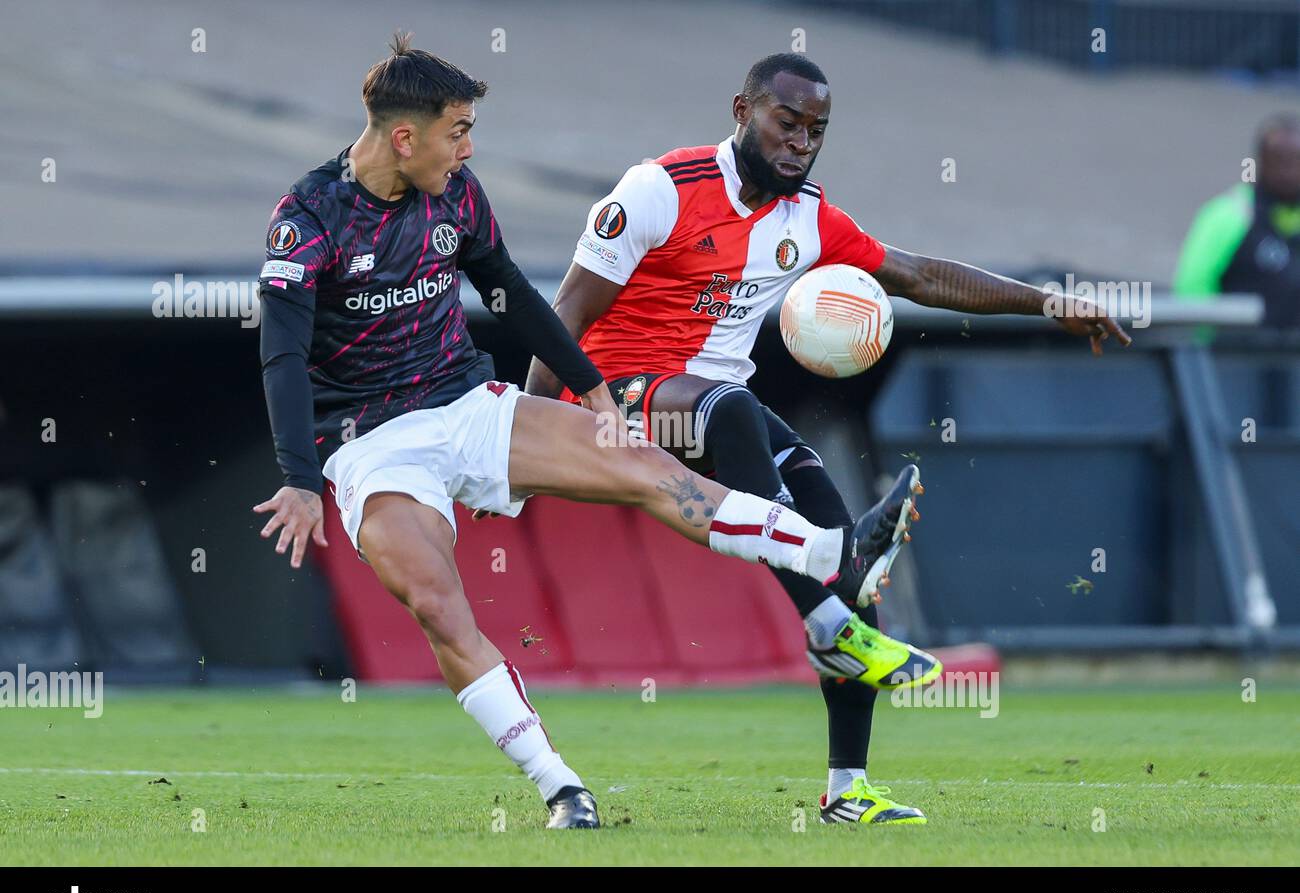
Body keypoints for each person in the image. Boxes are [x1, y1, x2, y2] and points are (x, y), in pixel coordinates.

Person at [252, 37, 925, 830]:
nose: (468, 148)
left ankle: (834, 562)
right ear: (406, 137)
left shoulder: (456, 194)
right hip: (371, 443)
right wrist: (300, 477)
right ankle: (561, 787)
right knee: (439, 604)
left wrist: (594, 393)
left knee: (646, 468)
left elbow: (515, 294)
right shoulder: (307, 221)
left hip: (468, 405)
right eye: (457, 131)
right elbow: (283, 357)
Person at [526, 53, 1128, 826]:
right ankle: (825, 624)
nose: (802, 142)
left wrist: (1045, 302)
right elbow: (563, 316)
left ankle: (850, 786)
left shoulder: (808, 218)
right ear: (741, 109)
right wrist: (529, 438)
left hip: (712, 406)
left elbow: (918, 276)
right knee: (736, 416)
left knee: (846, 550)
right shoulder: (659, 190)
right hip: (619, 401)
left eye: (817, 130)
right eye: (787, 122)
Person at [1174, 113, 1300, 329]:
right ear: (1260, 162)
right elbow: (1191, 290)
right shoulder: (1227, 216)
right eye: (1281, 162)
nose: (1290, 173)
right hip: (1234, 355)